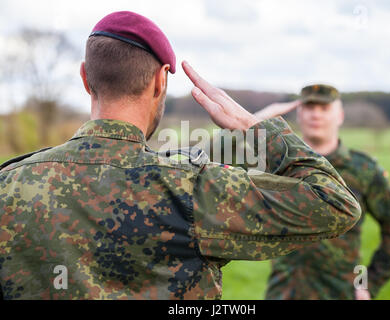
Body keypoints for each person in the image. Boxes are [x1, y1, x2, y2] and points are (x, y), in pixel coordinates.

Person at [0, 12, 361, 300]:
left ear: (84, 78)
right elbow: (335, 203)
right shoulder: (190, 187)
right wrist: (256, 128)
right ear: (160, 82)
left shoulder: (8, 184)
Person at [256, 84, 390, 300]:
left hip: (341, 292)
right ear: (299, 114)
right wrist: (257, 120)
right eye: (309, 107)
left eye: (324, 108)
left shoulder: (363, 169)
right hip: (283, 290)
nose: (316, 114)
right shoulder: (277, 163)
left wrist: (368, 283)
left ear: (340, 116)